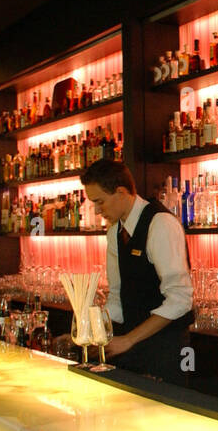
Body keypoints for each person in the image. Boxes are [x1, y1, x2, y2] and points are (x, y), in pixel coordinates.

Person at [80, 160, 193, 384]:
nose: (97, 211)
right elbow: (117, 298)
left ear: (121, 192)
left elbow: (181, 300)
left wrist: (128, 340)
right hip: (132, 350)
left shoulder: (160, 224)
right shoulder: (115, 232)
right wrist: (88, 332)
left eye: (100, 202)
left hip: (167, 350)